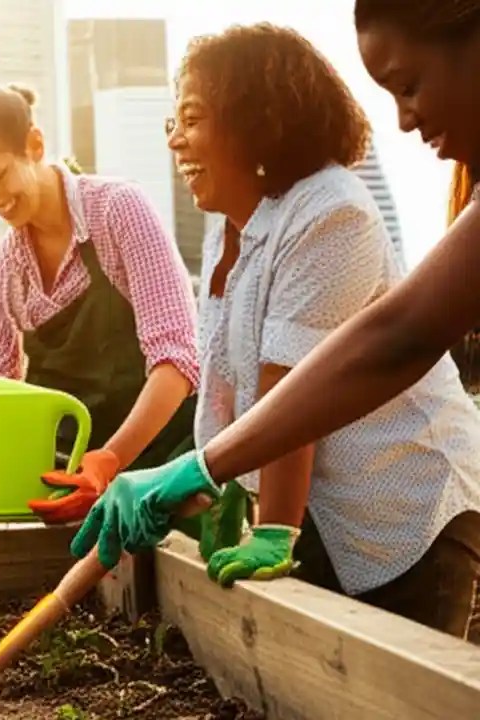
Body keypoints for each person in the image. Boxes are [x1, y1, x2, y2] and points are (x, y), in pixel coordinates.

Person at [71, 20, 480, 640]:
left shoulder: (331, 208)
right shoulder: (227, 230)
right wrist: (208, 488)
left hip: (402, 506)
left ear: (256, 116)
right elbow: (223, 389)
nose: (175, 141)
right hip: (320, 512)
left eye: (192, 118)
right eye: (169, 124)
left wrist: (270, 526)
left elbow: (289, 380)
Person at [0, 83, 202, 528]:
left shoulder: (119, 211)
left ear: (34, 145)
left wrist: (112, 460)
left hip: (161, 467)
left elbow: (178, 361)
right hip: (73, 481)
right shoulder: (7, 264)